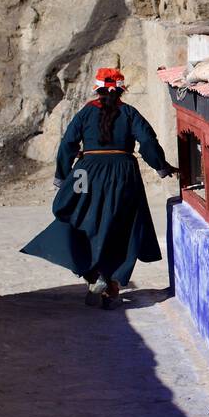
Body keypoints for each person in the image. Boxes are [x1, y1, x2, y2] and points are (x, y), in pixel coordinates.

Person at [21, 68, 178, 308]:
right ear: (121, 90)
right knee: (121, 226)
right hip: (123, 172)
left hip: (86, 172)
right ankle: (111, 285)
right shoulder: (129, 112)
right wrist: (161, 166)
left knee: (79, 216)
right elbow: (146, 141)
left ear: (97, 90)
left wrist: (62, 176)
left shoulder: (85, 113)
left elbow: (67, 144)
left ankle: (93, 275)